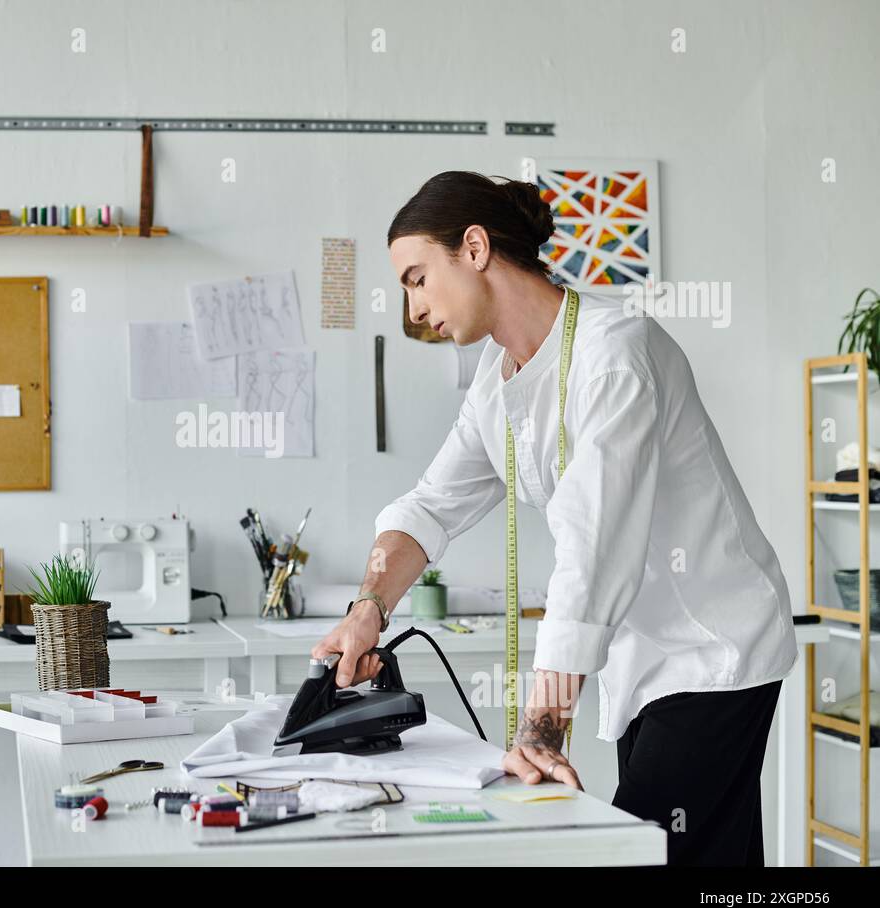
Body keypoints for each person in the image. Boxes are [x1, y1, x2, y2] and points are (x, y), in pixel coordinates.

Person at [311, 171, 798, 865]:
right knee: (703, 859)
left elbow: (593, 552)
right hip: (643, 663)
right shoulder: (498, 380)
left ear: (474, 248)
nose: (413, 310)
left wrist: (542, 729)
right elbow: (429, 505)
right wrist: (368, 610)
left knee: (643, 851)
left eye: (418, 279)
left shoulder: (613, 354)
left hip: (712, 649)